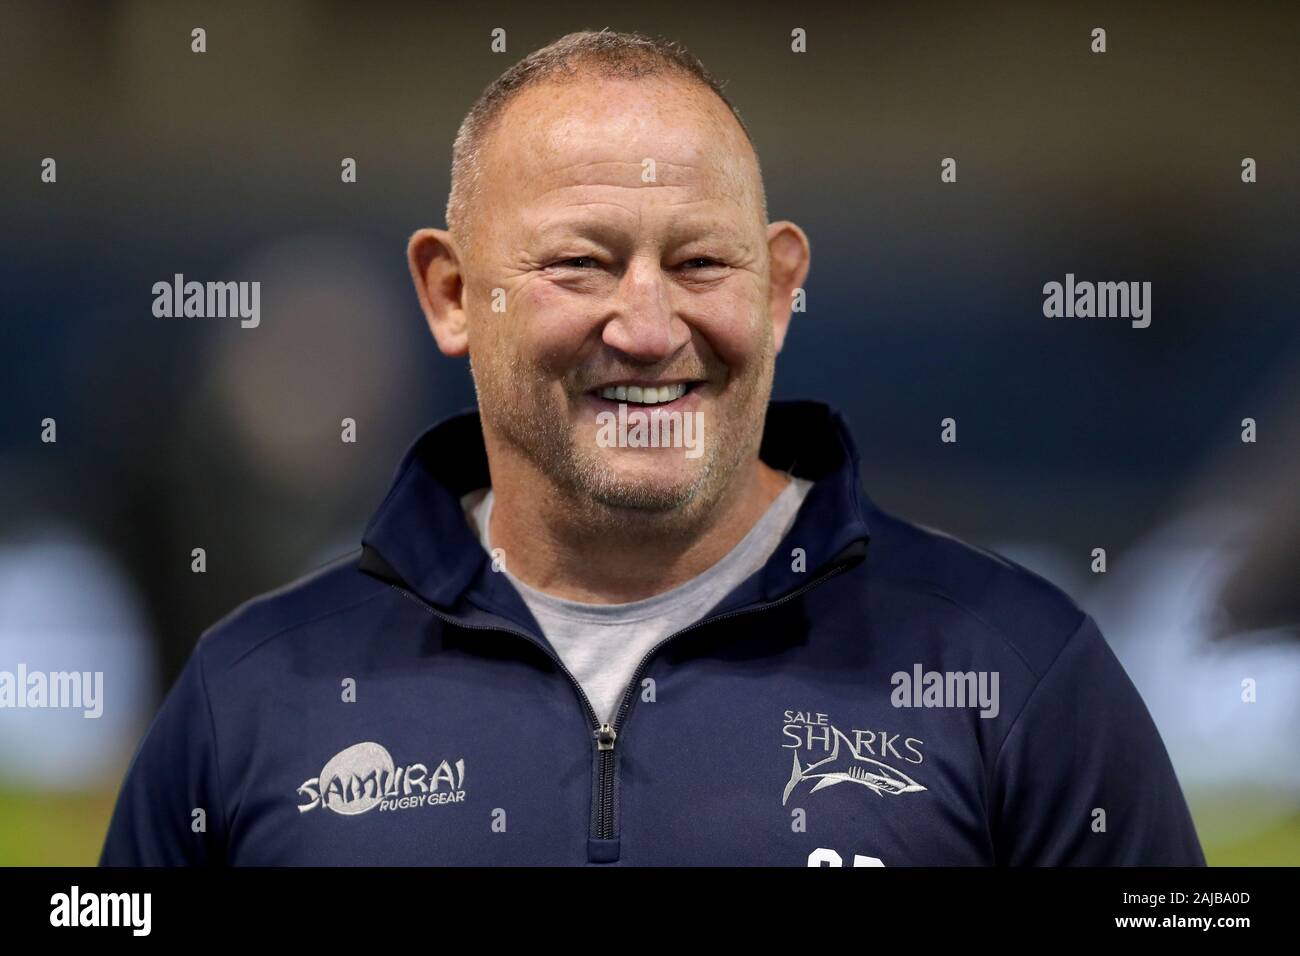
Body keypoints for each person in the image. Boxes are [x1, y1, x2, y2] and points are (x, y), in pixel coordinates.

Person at [100, 29, 1204, 866]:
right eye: (579, 263)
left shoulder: (1017, 671)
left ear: (779, 289)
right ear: (450, 293)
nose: (645, 327)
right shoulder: (249, 696)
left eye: (700, 264)